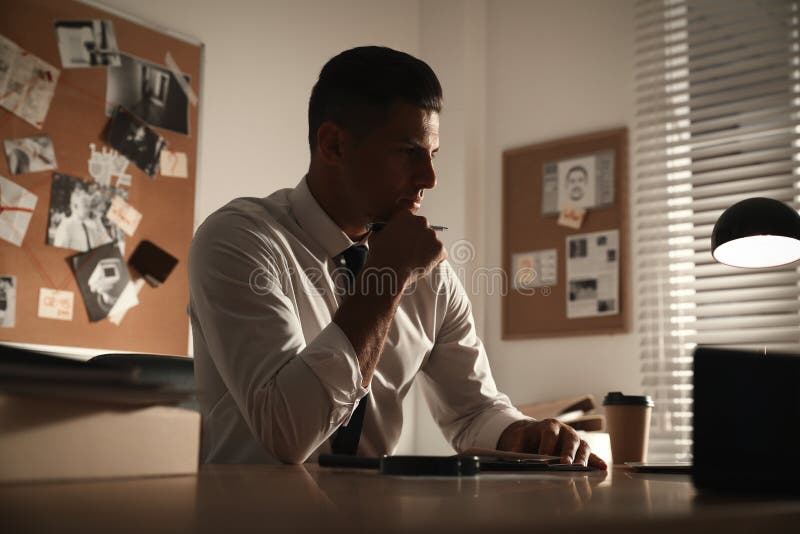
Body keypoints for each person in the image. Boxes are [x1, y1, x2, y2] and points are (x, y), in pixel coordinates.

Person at [188, 46, 606, 469]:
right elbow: (286, 432)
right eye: (408, 152)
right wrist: (387, 280)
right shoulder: (239, 239)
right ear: (333, 144)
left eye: (433, 154)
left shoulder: (428, 272)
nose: (430, 178)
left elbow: (473, 412)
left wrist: (520, 433)